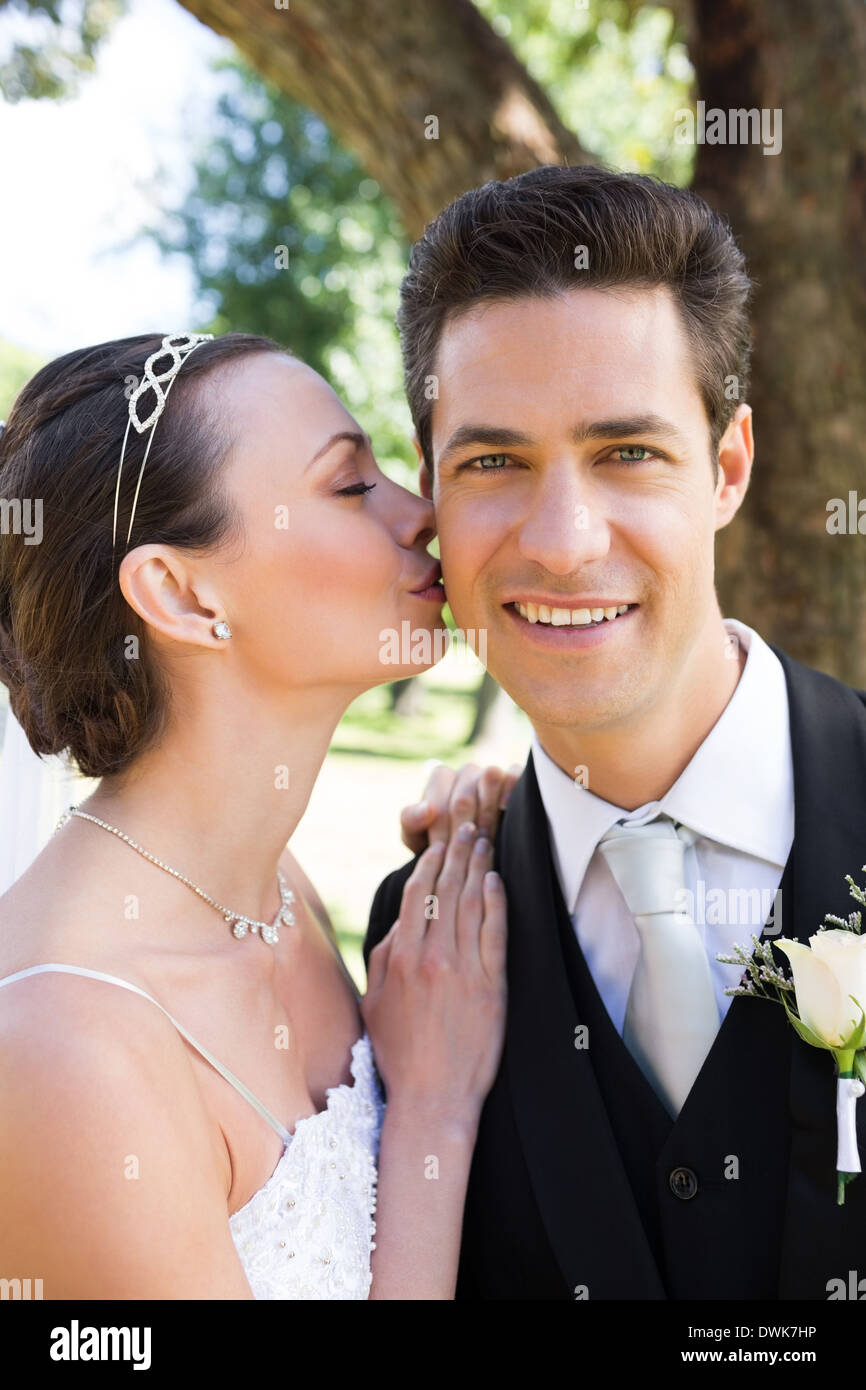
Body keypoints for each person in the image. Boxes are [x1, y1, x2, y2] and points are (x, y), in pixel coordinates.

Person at [365, 164, 866, 1300]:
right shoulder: (418, 934)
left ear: (725, 468)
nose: (559, 539)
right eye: (492, 462)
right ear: (433, 497)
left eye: (624, 453)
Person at [0, 330, 512, 1300]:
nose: (425, 515)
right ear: (181, 593)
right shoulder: (62, 1048)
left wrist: (474, 838)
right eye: (351, 486)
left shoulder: (277, 888)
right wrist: (432, 1111)